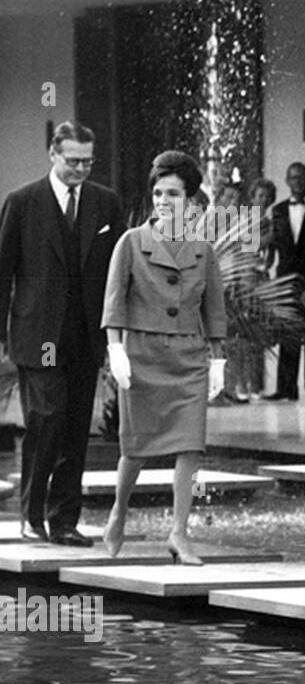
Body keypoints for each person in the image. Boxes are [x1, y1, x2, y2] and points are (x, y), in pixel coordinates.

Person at [0, 121, 126, 545]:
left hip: (86, 335)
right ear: (53, 154)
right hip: (40, 335)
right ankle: (32, 514)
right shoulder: (22, 202)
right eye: (72, 161)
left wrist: (117, 337)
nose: (80, 170)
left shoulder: (105, 203)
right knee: (47, 417)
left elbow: (118, 273)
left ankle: (64, 520)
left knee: (75, 426)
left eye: (88, 162)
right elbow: (2, 275)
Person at [101, 151, 227, 565]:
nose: (162, 201)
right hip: (142, 357)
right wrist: (115, 349)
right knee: (135, 449)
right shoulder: (131, 242)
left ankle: (179, 532)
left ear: (190, 201)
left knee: (190, 447)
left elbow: (214, 308)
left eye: (172, 194)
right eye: (157, 193)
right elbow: (115, 301)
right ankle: (120, 509)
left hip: (188, 358)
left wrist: (218, 360)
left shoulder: (203, 250)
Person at [265, 162, 305, 400]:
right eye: (293, 178)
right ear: (287, 181)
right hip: (285, 282)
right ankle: (286, 388)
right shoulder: (278, 210)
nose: (297, 182)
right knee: (288, 335)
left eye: (301, 177)